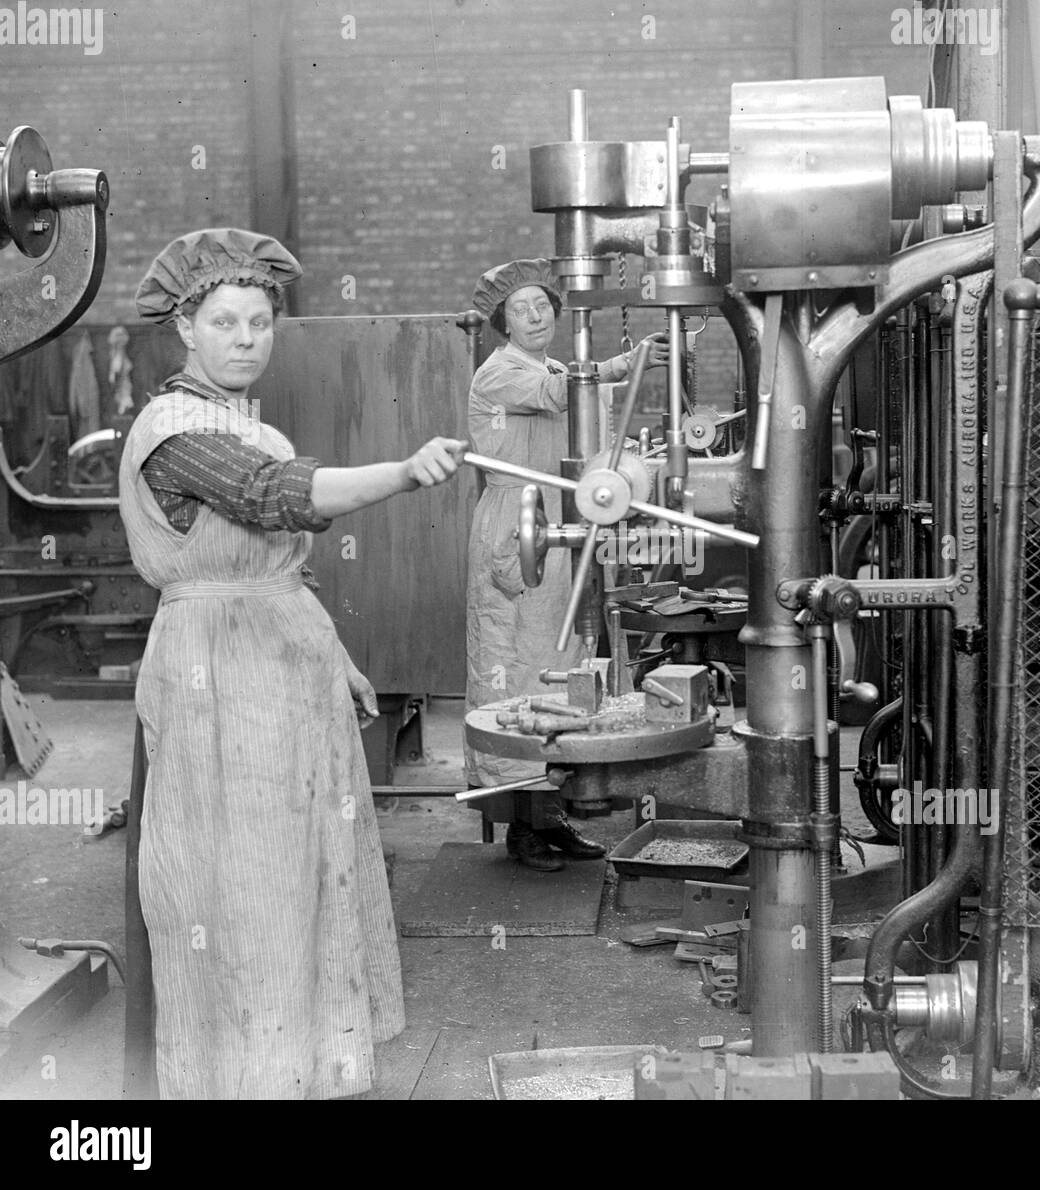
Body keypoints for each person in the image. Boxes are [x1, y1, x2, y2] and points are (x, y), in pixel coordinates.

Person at [119, 227, 466, 1099]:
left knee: (308, 866)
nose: (246, 338)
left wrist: (335, 655)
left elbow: (282, 565)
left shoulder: (256, 427)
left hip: (286, 661)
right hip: (218, 675)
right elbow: (275, 499)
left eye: (261, 323)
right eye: (226, 322)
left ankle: (312, 1067)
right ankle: (244, 1080)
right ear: (185, 331)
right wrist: (403, 472)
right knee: (245, 884)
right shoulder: (175, 430)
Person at [464, 258, 668, 871]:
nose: (536, 315)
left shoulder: (554, 365)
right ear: (502, 319)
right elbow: (560, 395)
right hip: (518, 528)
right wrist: (618, 367)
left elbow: (584, 430)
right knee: (518, 675)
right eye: (522, 307)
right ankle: (521, 827)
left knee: (563, 672)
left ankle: (550, 818)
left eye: (543, 304)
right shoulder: (498, 373)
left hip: (561, 523)